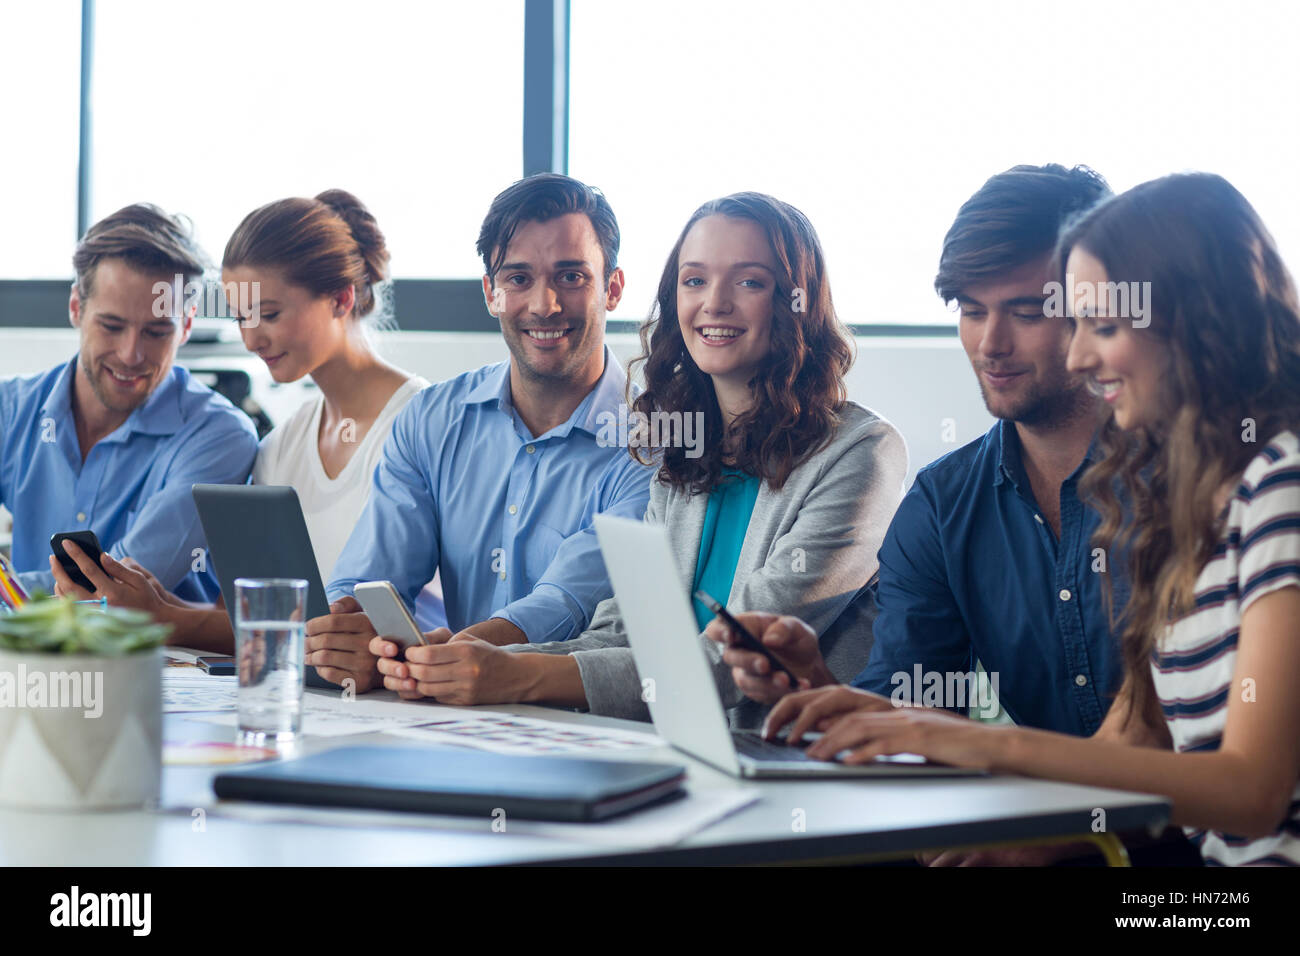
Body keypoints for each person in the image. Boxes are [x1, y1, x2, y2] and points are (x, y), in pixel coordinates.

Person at [768, 172, 1300, 867]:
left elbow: (1253, 793)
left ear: (1196, 321)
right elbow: (1128, 746)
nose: (1081, 355)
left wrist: (986, 744)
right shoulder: (1190, 507)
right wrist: (1025, 836)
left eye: (1100, 326)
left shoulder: (1278, 485)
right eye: (971, 309)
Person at [369, 192, 908, 727]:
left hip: (798, 769)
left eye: (749, 281)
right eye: (694, 280)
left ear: (796, 301)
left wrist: (516, 676)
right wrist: (468, 665)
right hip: (673, 755)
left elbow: (732, 659)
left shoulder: (861, 452)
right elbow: (622, 632)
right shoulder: (682, 446)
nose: (714, 303)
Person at [713, 165, 1123, 738]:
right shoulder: (942, 505)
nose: (990, 344)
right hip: (1054, 817)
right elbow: (913, 720)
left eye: (1028, 312)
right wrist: (816, 688)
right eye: (971, 310)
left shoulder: (1191, 480)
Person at [310, 173, 655, 691]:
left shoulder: (652, 442)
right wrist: (354, 634)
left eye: (571, 277)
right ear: (491, 292)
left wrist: (462, 652)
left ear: (613, 288)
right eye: (518, 279)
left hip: (583, 720)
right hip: (447, 714)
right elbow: (372, 577)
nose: (544, 305)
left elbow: (569, 600)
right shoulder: (431, 420)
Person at [50, 191, 430, 654]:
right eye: (241, 317)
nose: (251, 338)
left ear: (341, 298)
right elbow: (252, 615)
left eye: (268, 314)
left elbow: (373, 616)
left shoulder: (423, 424)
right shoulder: (280, 447)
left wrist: (166, 616)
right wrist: (157, 602)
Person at [2, 203, 257, 605]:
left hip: (161, 663)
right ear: (76, 308)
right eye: (112, 325)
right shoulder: (11, 409)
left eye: (156, 332)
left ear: (186, 325)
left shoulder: (219, 436)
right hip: (34, 657)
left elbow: (113, 589)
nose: (131, 354)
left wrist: (11, 596)